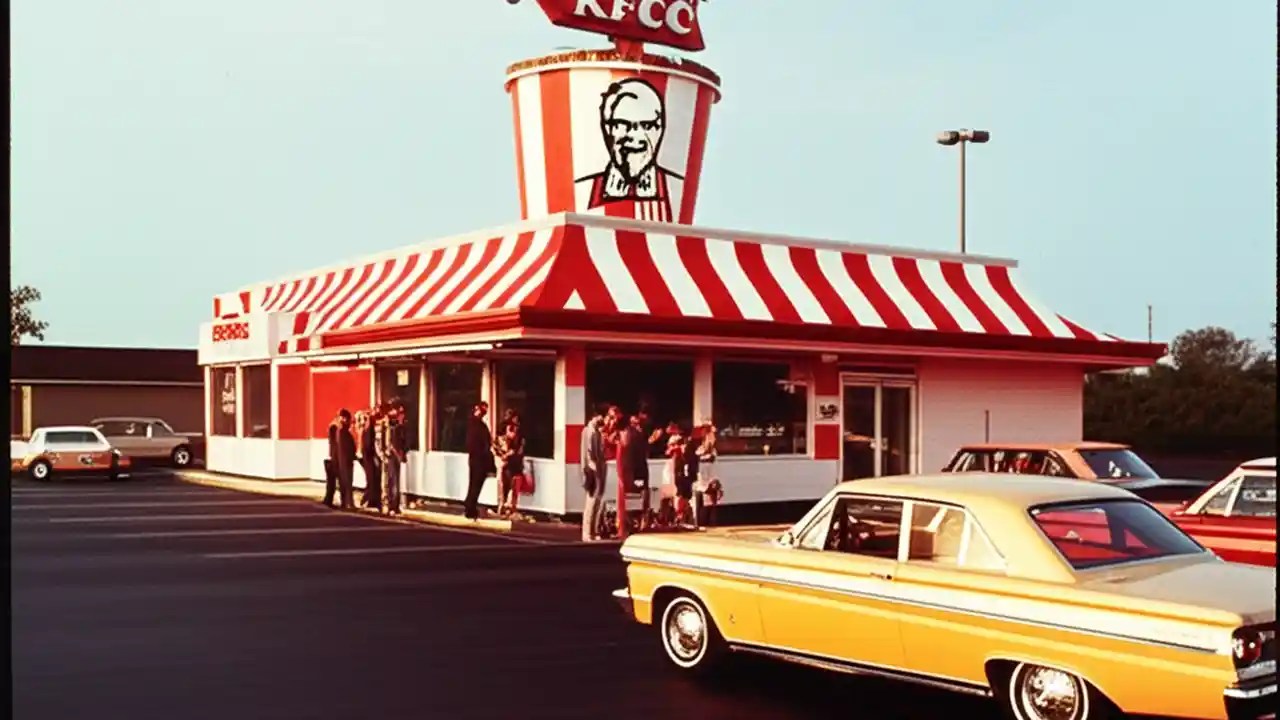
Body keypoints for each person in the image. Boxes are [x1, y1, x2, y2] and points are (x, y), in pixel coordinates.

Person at [463, 402, 494, 520]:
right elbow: (474, 443)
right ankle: (470, 507)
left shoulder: (480, 425)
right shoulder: (474, 424)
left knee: (476, 484)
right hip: (477, 459)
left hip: (480, 459)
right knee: (475, 484)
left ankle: (471, 506)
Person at [580, 409, 607, 541]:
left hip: (599, 467)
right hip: (592, 470)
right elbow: (588, 453)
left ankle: (593, 529)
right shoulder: (588, 431)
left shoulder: (597, 432)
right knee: (591, 500)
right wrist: (593, 467)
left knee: (597, 500)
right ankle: (587, 532)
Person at [495, 420, 525, 518]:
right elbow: (496, 451)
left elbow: (518, 452)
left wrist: (509, 454)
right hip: (506, 467)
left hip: (515, 467)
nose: (514, 432)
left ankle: (511, 509)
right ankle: (502, 508)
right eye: (511, 429)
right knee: (503, 487)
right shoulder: (502, 439)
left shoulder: (519, 440)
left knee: (513, 489)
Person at [383, 401, 407, 516]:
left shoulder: (399, 427)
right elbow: (391, 443)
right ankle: (392, 505)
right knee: (393, 481)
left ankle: (394, 505)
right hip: (393, 456)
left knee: (394, 480)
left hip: (394, 455)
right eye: (400, 412)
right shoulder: (393, 427)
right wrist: (398, 455)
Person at [359, 409, 382, 511]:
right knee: (372, 479)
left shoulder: (365, 430)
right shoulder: (368, 430)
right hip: (368, 457)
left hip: (367, 456)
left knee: (372, 479)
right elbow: (368, 446)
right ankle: (368, 500)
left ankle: (369, 500)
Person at [335, 409, 357, 510]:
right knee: (347, 483)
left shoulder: (342, 431)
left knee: (345, 483)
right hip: (345, 462)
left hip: (344, 461)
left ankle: (346, 502)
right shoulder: (342, 432)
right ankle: (348, 503)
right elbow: (346, 448)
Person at [322, 411, 342, 508]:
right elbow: (335, 445)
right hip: (333, 458)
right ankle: (328, 500)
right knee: (332, 481)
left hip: (331, 457)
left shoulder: (332, 427)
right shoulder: (334, 428)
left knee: (331, 481)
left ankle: (328, 499)